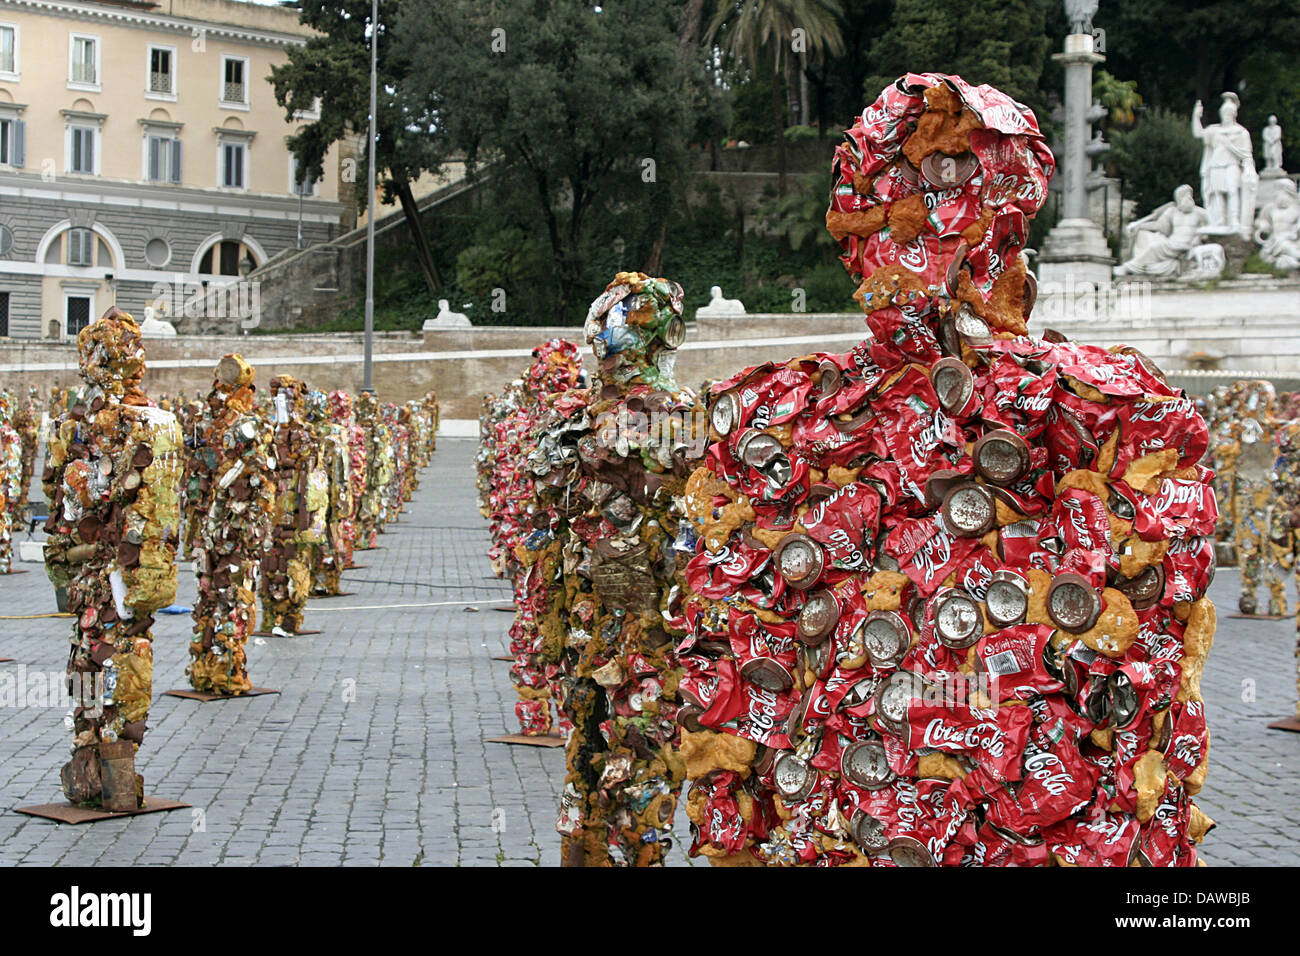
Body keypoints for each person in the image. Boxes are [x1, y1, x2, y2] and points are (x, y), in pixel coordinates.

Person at [1192, 92, 1258, 236]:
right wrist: (1196, 116)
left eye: (1228, 113)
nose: (1225, 115)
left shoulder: (1241, 132)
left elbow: (1247, 154)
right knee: (1217, 193)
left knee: (1233, 191)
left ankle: (1234, 221)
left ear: (1234, 114)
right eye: (1223, 112)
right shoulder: (1214, 130)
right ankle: (1219, 222)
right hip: (1215, 166)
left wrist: (1249, 170)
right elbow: (1198, 133)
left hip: (1232, 165)